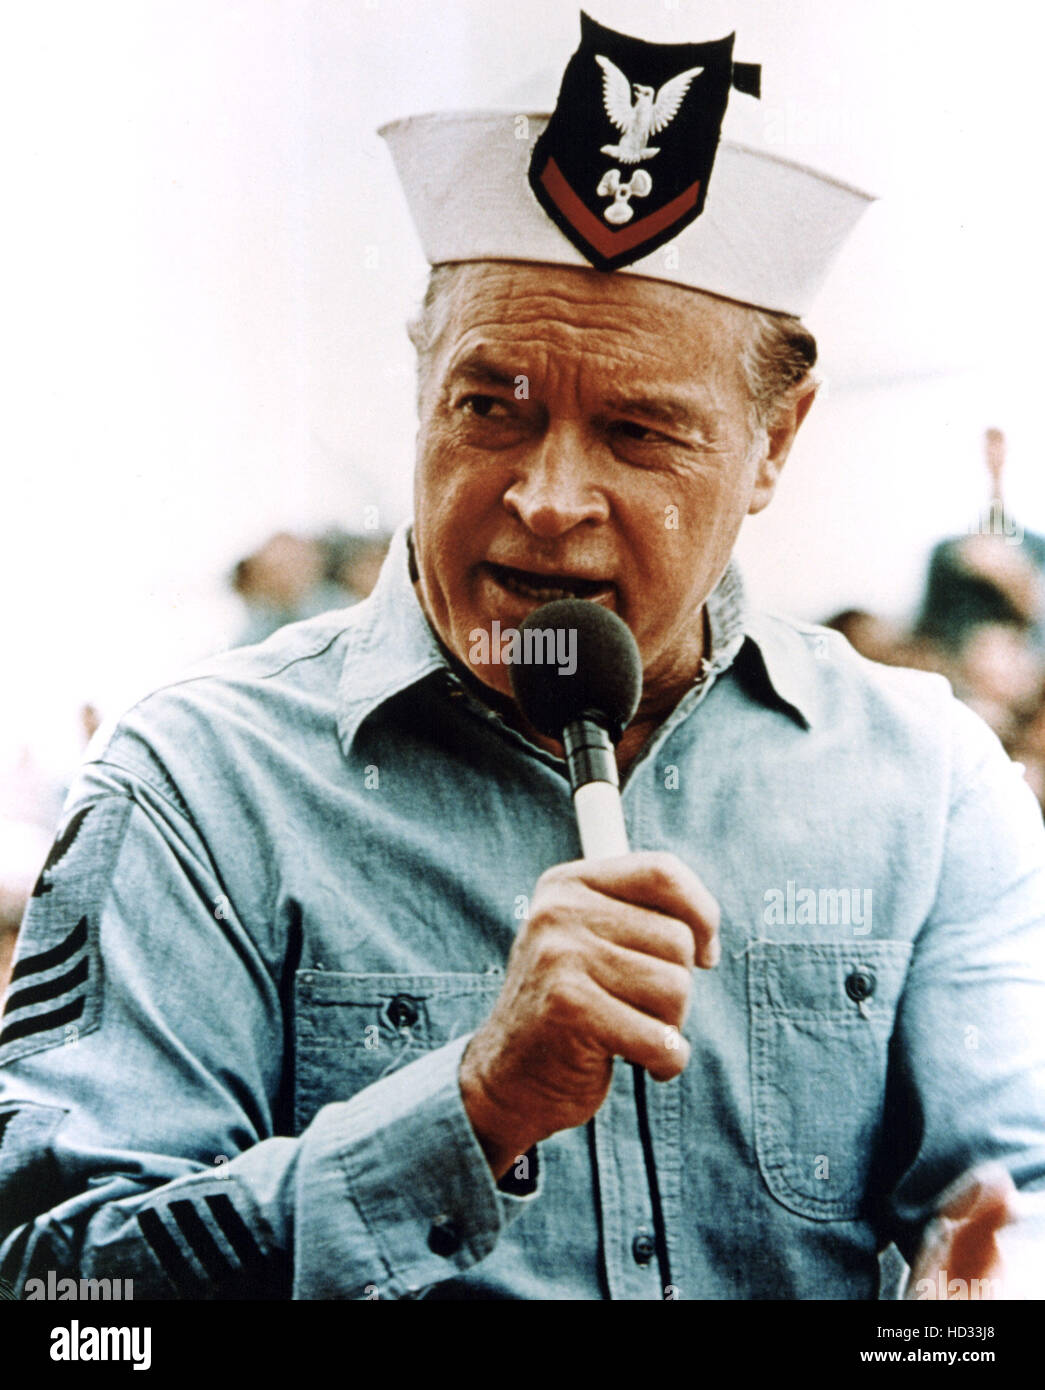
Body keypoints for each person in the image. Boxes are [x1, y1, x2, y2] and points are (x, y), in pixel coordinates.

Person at [2, 14, 1044, 1301]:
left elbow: (1012, 1202)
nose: (549, 496)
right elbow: (59, 1307)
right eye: (491, 404)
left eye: (636, 432)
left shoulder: (927, 781)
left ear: (775, 444)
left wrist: (984, 1297)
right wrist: (471, 1104)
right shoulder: (200, 784)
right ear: (420, 381)